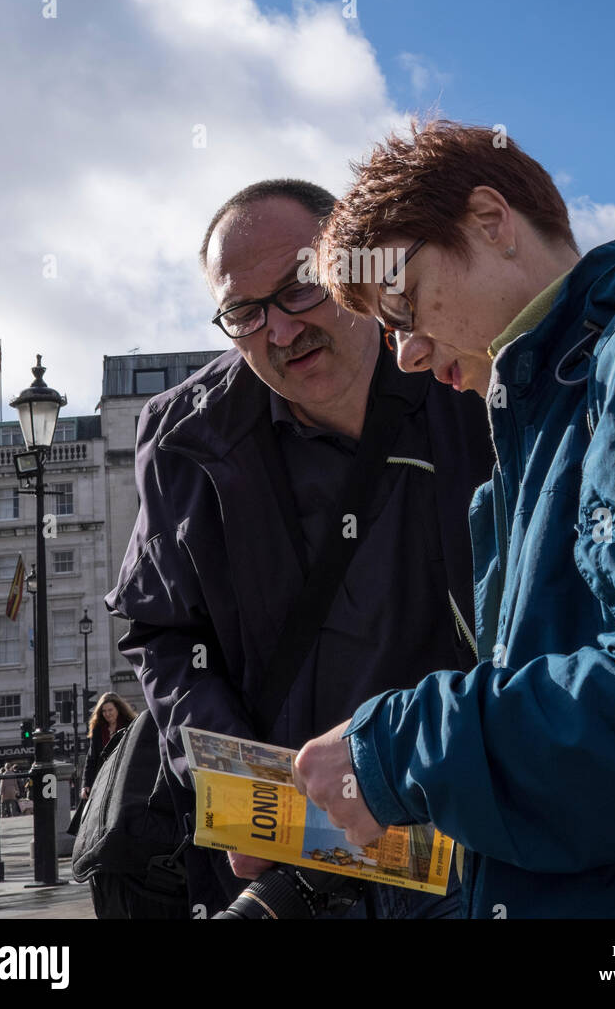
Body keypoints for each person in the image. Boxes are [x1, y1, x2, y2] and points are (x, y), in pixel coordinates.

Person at [294, 118, 615, 920]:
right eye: (387, 334)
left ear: (491, 221)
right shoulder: (537, 442)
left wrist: (397, 747)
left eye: (403, 304)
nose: (407, 354)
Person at [107, 177, 492, 919]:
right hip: (303, 857)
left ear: (351, 268)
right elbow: (160, 629)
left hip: (470, 829)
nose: (280, 331)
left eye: (299, 289)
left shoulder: (462, 371)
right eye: (244, 313)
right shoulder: (182, 435)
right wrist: (239, 786)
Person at [81, 693, 137, 797]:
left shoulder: (130, 725)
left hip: (125, 777)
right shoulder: (98, 729)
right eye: (104, 711)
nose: (107, 714)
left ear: (118, 709)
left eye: (110, 710)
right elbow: (91, 758)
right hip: (103, 778)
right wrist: (86, 784)